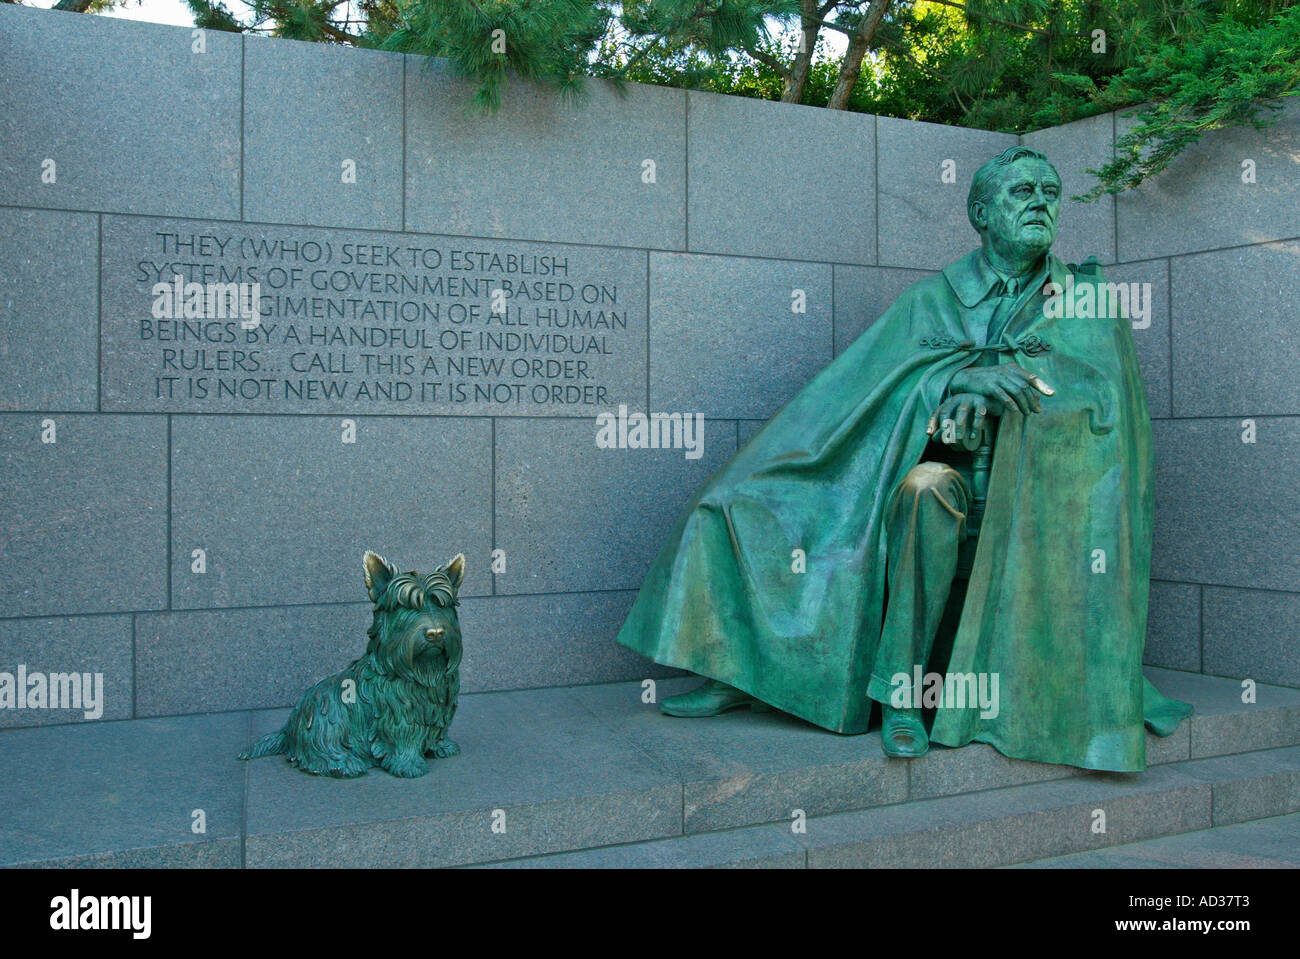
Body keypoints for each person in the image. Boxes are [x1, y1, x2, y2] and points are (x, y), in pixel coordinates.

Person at [615, 146, 1191, 772]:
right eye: (1022, 193)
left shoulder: (1084, 298)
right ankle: (748, 669)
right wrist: (956, 383)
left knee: (922, 494)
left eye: (1050, 193)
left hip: (1037, 491)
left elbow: (1106, 410)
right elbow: (860, 392)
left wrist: (1011, 390)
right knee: (743, 500)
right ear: (981, 212)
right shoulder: (931, 301)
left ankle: (902, 697)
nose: (1040, 205)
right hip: (925, 466)